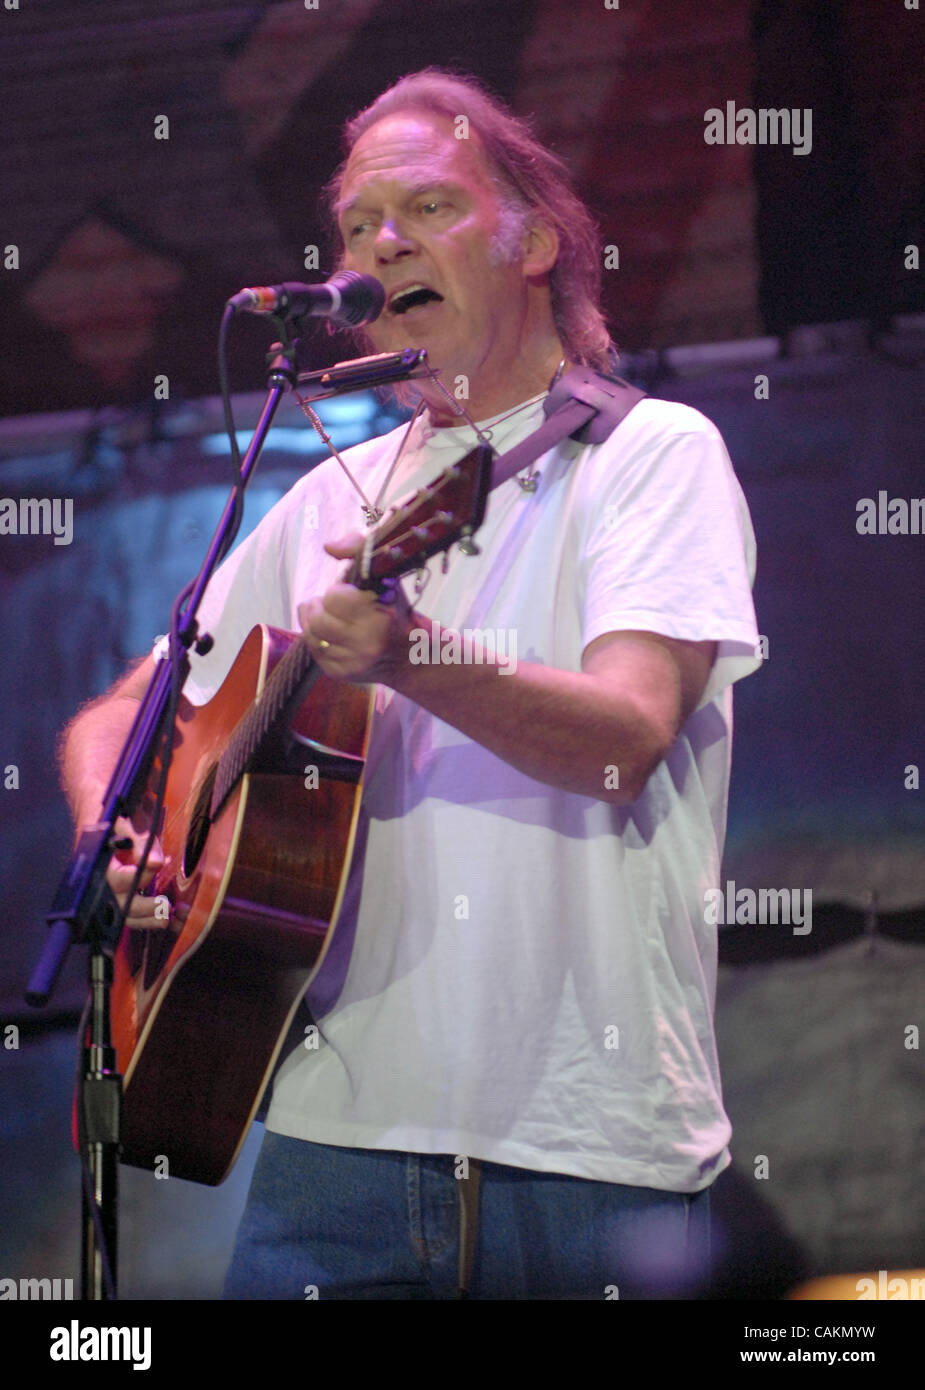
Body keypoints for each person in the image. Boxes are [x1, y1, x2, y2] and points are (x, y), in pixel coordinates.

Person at [59, 68, 761, 1300]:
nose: (380, 244)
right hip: (329, 1153)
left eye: (428, 207)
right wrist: (117, 830)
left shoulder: (650, 457)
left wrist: (407, 656)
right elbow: (120, 716)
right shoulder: (330, 495)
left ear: (537, 240)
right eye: (355, 226)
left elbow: (629, 738)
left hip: (583, 1154)